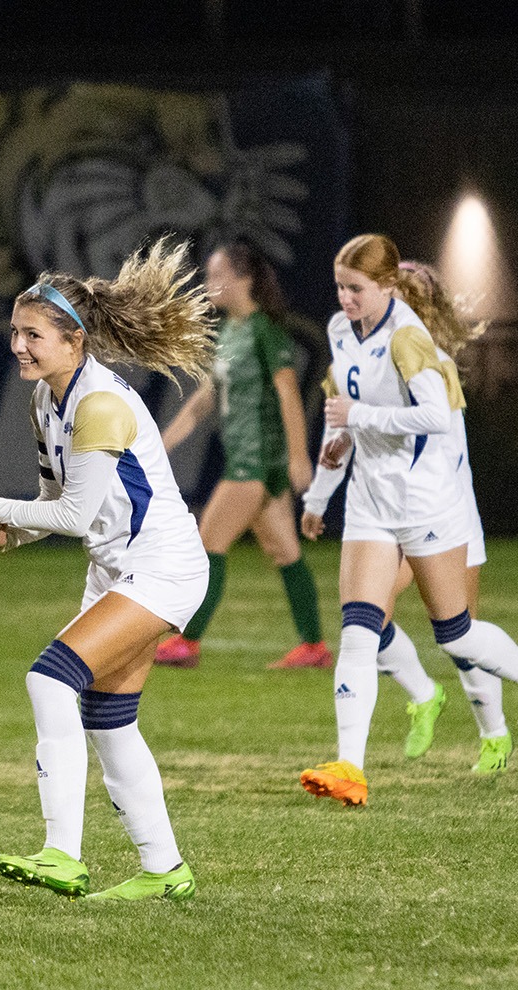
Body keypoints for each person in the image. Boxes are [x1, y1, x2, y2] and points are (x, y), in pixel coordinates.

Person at [0, 238, 210, 903]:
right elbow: (57, 507)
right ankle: (165, 869)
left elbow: (82, 515)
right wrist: (0, 533)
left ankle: (63, 852)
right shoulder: (46, 402)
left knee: (49, 680)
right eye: (14, 332)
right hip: (121, 571)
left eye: (32, 334)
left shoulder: (100, 405)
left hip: (161, 567)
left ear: (74, 341)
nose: (18, 346)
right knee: (110, 718)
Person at [296, 234, 518, 807]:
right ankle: (351, 765)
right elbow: (339, 418)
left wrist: (360, 416)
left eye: (356, 289)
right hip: (372, 505)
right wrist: (320, 494)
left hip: (427, 503)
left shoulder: (410, 340)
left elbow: (435, 419)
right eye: (339, 287)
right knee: (357, 630)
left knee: (457, 633)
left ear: (388, 287)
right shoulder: (340, 330)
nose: (344, 299)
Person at [302, 260, 514, 773]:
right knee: (365, 621)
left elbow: (435, 443)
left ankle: (495, 734)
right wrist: (318, 495)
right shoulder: (358, 354)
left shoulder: (428, 362)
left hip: (444, 517)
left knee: (460, 635)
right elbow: (341, 436)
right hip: (384, 516)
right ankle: (422, 693)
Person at [155, 241, 332, 671]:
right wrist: (161, 443)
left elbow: (289, 393)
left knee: (207, 544)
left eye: (218, 275)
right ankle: (314, 647)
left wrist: (298, 457)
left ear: (245, 280)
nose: (210, 283)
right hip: (252, 460)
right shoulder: (230, 332)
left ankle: (186, 641)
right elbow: (204, 401)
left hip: (256, 460)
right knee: (284, 552)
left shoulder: (265, 330)